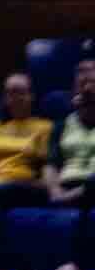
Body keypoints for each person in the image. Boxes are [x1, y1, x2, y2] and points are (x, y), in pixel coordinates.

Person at [0, 71, 52, 208]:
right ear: (5, 98)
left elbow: (46, 165)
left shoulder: (44, 127)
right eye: (10, 93)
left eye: (20, 92)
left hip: (23, 184)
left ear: (31, 96)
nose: (16, 98)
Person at [44, 59, 95, 206]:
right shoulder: (61, 125)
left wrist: (66, 197)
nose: (87, 90)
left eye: (92, 83)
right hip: (66, 186)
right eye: (82, 85)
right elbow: (51, 165)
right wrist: (55, 190)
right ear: (74, 93)